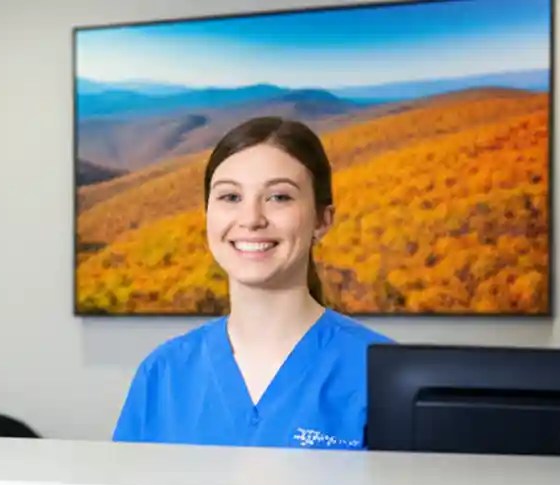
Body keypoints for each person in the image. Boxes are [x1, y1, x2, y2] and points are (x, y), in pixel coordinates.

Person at [112, 116, 392, 449]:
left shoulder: (382, 376)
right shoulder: (164, 374)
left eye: (279, 197)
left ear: (321, 220)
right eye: (230, 197)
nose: (251, 219)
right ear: (207, 216)